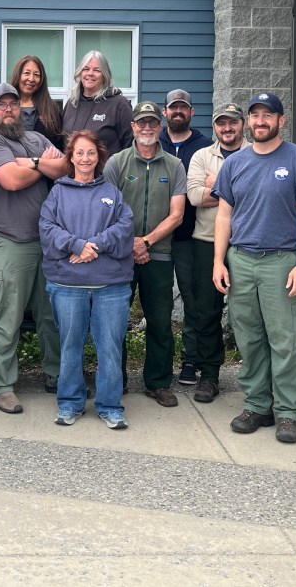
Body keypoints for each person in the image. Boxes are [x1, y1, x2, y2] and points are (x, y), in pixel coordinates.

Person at [212, 92, 296, 445]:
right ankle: (257, 405)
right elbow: (224, 215)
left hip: (282, 261)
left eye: (268, 115)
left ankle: (290, 412)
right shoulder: (235, 163)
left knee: (285, 340)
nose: (261, 122)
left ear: (281, 120)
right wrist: (218, 260)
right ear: (249, 122)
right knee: (249, 338)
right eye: (256, 116)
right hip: (241, 260)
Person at [0, 82, 65, 412]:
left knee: (51, 316)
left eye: (13, 104)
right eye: (1, 104)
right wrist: (42, 165)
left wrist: (30, 161)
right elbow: (10, 180)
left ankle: (56, 375)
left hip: (48, 242)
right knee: (7, 317)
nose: (8, 109)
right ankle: (2, 384)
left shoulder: (35, 138)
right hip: (10, 243)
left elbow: (64, 166)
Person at [39, 131, 134, 429]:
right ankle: (70, 403)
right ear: (71, 157)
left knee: (110, 347)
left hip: (110, 286)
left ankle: (109, 405)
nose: (85, 158)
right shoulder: (58, 192)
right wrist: (76, 246)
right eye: (79, 153)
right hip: (68, 285)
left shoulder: (112, 192)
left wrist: (94, 245)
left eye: (90, 153)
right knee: (70, 345)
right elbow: (47, 227)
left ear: (99, 157)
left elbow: (125, 226)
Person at [104, 101, 187, 407]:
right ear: (133, 127)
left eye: (153, 123)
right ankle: (116, 380)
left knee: (160, 321)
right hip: (120, 256)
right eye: (142, 123)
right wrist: (130, 244)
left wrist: (146, 242)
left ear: (160, 127)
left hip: (159, 255)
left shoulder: (174, 166)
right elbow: (107, 210)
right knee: (114, 320)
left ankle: (158, 382)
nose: (148, 128)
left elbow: (177, 214)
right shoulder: (116, 163)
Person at [183, 102, 246, 403]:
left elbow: (259, 195)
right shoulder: (201, 156)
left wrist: (216, 185)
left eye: (232, 122)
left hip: (248, 243)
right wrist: (235, 189)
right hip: (206, 241)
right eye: (222, 123)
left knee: (250, 313)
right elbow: (195, 197)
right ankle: (209, 375)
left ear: (242, 125)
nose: (227, 128)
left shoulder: (255, 153)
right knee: (206, 311)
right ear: (215, 127)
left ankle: (258, 375)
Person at [158, 89, 214, 391]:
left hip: (191, 236)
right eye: (172, 107)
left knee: (193, 301)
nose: (178, 112)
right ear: (165, 112)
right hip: (157, 237)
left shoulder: (204, 146)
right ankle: (161, 361)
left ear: (191, 112)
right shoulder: (154, 142)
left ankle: (191, 359)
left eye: (183, 108)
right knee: (159, 301)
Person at [61, 50, 133, 154]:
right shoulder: (72, 103)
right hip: (72, 170)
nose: (90, 74)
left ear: (105, 75)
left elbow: (130, 147)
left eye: (97, 70)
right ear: (80, 73)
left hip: (108, 170)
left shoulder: (119, 104)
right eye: (86, 69)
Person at [11, 54, 65, 150]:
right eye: (27, 73)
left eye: (36, 75)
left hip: (45, 164)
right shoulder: (8, 108)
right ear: (18, 76)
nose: (31, 79)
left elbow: (59, 146)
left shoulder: (51, 109)